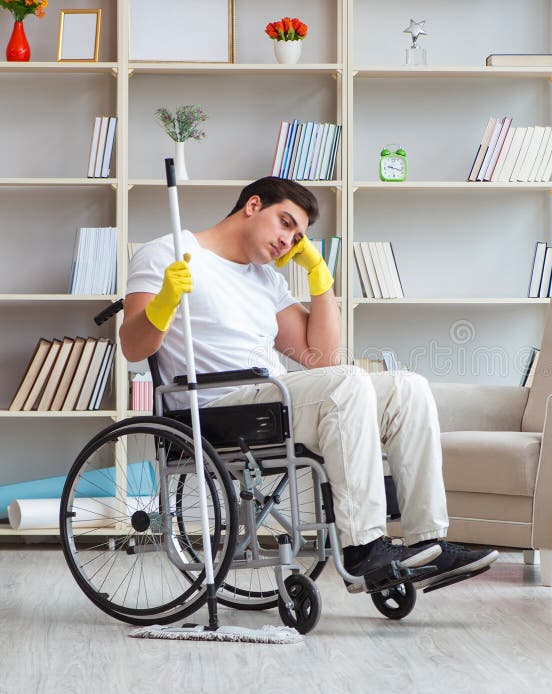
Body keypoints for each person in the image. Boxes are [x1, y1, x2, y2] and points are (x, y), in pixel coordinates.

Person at [120, 176, 498, 592]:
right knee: (346, 383)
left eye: (297, 236)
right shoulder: (169, 252)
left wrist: (319, 275)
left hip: (270, 403)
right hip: (216, 409)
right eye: (285, 223)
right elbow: (133, 346)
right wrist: (165, 301)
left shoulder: (265, 279)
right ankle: (362, 548)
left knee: (408, 387)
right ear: (253, 205)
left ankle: (428, 541)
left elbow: (321, 357)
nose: (288, 241)